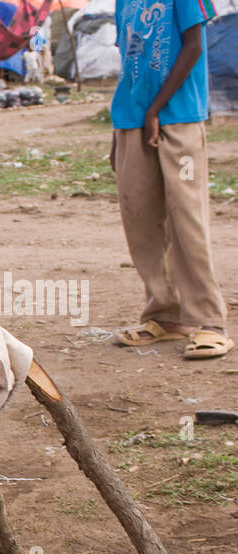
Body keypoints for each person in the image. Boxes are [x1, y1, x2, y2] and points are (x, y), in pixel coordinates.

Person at [111, 0, 232, 359]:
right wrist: (118, 128)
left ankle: (209, 322)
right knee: (141, 221)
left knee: (186, 218)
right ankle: (165, 315)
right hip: (131, 120)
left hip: (177, 117)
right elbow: (130, 59)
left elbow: (194, 45)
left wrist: (156, 108)